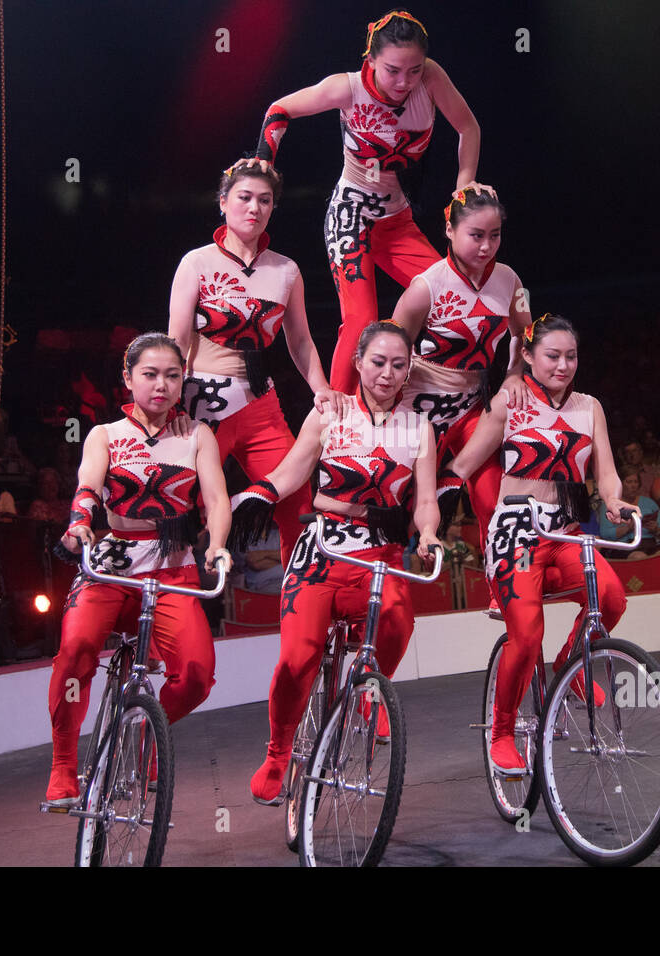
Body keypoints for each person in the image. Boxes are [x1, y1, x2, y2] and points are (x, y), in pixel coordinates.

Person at [232, 322, 442, 803]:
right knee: (296, 659)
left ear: (409, 369)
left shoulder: (419, 428)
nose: (387, 374)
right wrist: (260, 492)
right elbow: (291, 470)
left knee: (396, 619)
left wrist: (427, 532)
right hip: (321, 552)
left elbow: (425, 499)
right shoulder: (329, 413)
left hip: (379, 553)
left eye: (398, 364)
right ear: (358, 363)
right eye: (378, 362)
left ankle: (368, 692)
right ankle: (278, 751)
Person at [248, 9, 487, 392]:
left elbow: (468, 127)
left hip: (397, 220)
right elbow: (280, 110)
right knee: (360, 319)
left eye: (413, 70)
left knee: (454, 298)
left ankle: (420, 396)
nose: (404, 81)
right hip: (350, 217)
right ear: (371, 59)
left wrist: (464, 187)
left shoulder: (431, 78)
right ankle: (336, 420)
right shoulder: (346, 88)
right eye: (393, 70)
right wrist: (262, 160)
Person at [438, 315, 632, 774]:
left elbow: (605, 469)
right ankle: (503, 733)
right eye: (552, 356)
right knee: (526, 637)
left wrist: (614, 500)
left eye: (571, 356)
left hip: (564, 533)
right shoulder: (513, 398)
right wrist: (431, 499)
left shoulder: (590, 407)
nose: (563, 365)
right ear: (527, 356)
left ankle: (572, 668)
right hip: (518, 537)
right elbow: (464, 464)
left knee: (610, 597)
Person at [45, 333, 233, 807]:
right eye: (149, 375)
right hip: (113, 567)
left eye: (172, 376)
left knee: (195, 674)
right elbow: (88, 486)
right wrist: (79, 522)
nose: (161, 385)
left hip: (173, 571)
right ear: (127, 379)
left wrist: (216, 545)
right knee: (76, 650)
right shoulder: (106, 434)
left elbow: (215, 500)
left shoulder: (197, 434)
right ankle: (64, 766)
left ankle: (147, 729)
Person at [169, 162, 339, 566]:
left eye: (265, 201)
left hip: (259, 408)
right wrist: (170, 406)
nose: (254, 208)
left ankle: (302, 601)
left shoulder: (285, 270)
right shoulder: (196, 262)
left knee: (297, 503)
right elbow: (175, 341)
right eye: (244, 198)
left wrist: (323, 389)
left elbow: (300, 342)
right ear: (223, 202)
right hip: (198, 408)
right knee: (178, 508)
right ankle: (172, 601)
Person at [390, 186, 531, 550]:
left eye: (494, 236)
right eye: (476, 236)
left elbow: (525, 335)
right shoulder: (426, 286)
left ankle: (503, 592)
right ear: (450, 230)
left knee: (493, 499)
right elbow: (388, 348)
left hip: (472, 408)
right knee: (403, 509)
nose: (486, 247)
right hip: (420, 412)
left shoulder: (511, 281)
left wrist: (514, 373)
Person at [599, 470, 660, 558]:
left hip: (649, 544)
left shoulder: (649, 503)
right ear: (620, 484)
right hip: (624, 547)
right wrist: (628, 528)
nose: (633, 486)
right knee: (640, 557)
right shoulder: (610, 505)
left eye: (636, 482)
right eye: (629, 482)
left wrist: (656, 529)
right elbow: (605, 534)